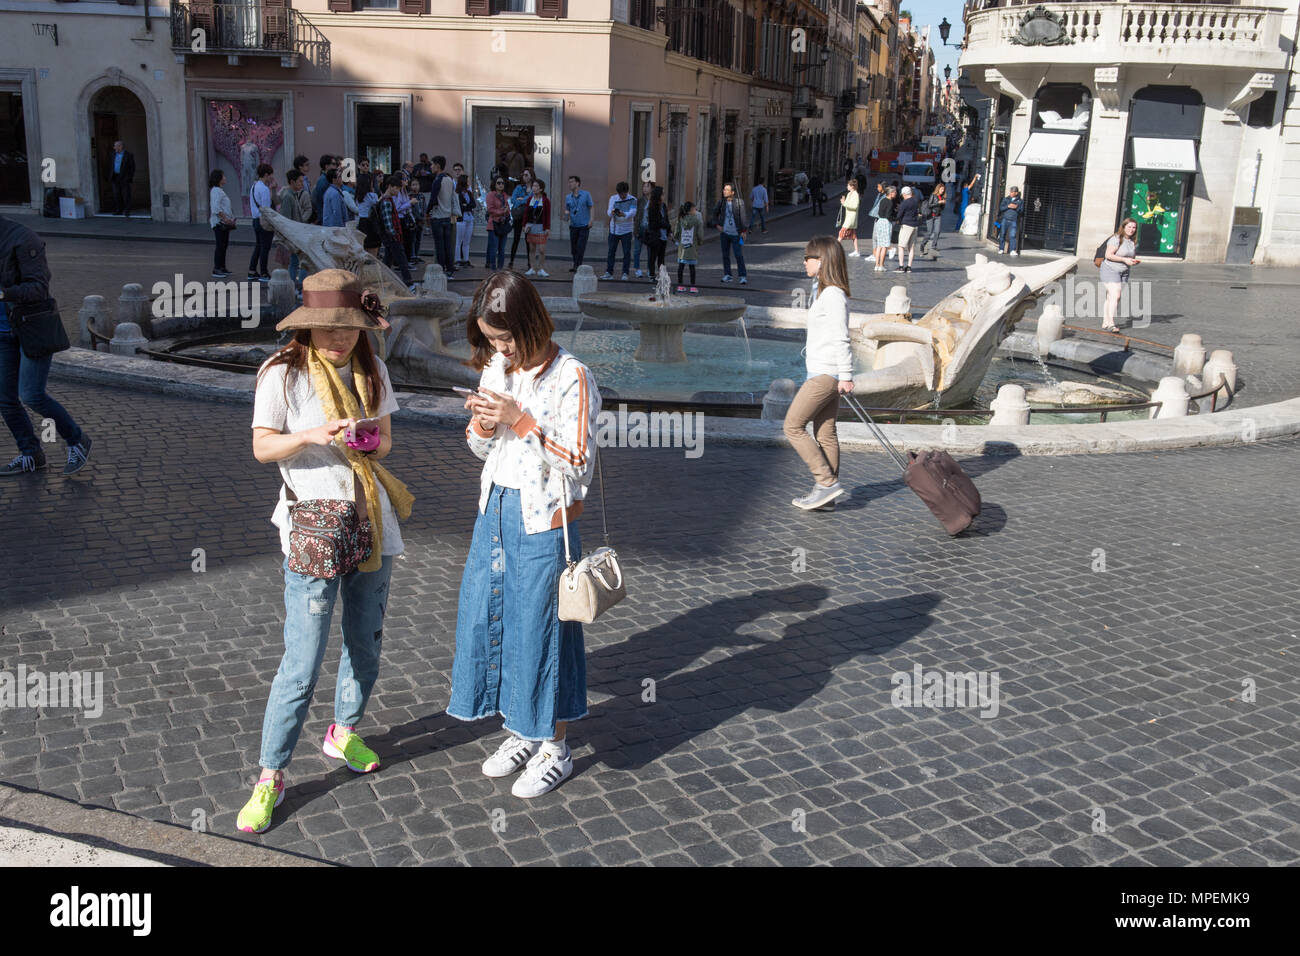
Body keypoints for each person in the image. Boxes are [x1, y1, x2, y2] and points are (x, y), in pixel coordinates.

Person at [238, 269, 414, 834]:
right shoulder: (281, 374)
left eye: (351, 328)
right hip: (312, 523)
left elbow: (385, 440)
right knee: (303, 658)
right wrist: (313, 436)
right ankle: (270, 775)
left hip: (370, 517)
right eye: (328, 328)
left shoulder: (373, 368)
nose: (340, 339)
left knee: (365, 640)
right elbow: (263, 447)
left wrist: (365, 438)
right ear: (307, 326)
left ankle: (343, 730)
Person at [449, 269, 601, 799]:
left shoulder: (572, 377)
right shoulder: (501, 369)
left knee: (545, 631)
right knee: (500, 620)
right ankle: (520, 728)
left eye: (506, 338)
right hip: (495, 511)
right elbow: (480, 450)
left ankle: (555, 746)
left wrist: (520, 421)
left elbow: (577, 462)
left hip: (546, 522)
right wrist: (484, 426)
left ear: (531, 323)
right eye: (492, 340)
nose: (501, 349)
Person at [0, 216, 91, 477]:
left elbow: (38, 287)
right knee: (5, 399)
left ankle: (77, 440)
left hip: (33, 329)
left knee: (31, 395)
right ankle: (31, 455)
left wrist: (3, 293)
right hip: (3, 332)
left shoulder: (23, 239)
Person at [783, 235, 852, 512]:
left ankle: (825, 482)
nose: (804, 261)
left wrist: (846, 375)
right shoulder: (825, 291)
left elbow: (842, 337)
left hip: (827, 373)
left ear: (821, 261)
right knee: (825, 433)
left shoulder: (833, 295)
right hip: (825, 371)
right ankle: (827, 497)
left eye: (808, 257)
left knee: (792, 426)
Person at [1100, 217, 1140, 332]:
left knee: (1111, 297)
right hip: (1110, 269)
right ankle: (1111, 324)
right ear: (1123, 227)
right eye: (1129, 227)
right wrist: (1124, 260)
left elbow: (1130, 257)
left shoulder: (1132, 242)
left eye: (1134, 227)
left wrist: (1132, 261)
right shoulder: (1116, 239)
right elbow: (1108, 255)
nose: (1132, 229)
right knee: (1116, 295)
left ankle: (1105, 321)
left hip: (1124, 272)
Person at [277, 168, 313, 291]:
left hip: (296, 234)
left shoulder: (293, 195)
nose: (302, 184)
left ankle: (294, 286)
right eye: (299, 181)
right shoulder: (288, 197)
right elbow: (286, 219)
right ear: (292, 182)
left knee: (296, 262)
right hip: (293, 236)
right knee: (300, 262)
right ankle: (296, 286)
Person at [378, 175, 415, 290]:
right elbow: (388, 221)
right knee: (402, 259)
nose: (398, 191)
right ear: (390, 187)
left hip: (392, 235)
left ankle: (381, 280)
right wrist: (394, 234)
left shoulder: (387, 200)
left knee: (388, 260)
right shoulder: (386, 201)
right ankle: (409, 283)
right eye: (397, 189)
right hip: (393, 236)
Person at [427, 155, 458, 277]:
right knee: (448, 245)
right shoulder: (449, 180)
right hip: (448, 217)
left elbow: (433, 198)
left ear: (438, 166)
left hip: (438, 217)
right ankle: (450, 269)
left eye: (432, 164)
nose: (431, 166)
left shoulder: (438, 180)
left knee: (439, 246)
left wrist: (426, 211)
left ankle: (441, 270)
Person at [712, 182, 748, 284]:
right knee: (725, 255)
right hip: (725, 233)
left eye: (727, 190)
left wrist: (744, 231)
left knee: (738, 255)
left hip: (736, 234)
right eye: (724, 189)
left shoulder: (739, 202)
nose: (724, 191)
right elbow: (714, 213)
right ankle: (728, 275)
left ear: (732, 192)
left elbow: (743, 217)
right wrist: (717, 225)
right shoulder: (721, 202)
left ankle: (742, 276)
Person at [247, 163, 276, 282]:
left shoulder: (254, 186)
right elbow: (266, 208)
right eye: (270, 175)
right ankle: (264, 273)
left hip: (255, 220)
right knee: (265, 248)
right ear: (265, 175)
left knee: (258, 246)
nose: (271, 178)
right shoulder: (264, 189)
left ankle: (252, 271)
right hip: (263, 221)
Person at [602, 181, 636, 280]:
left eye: (623, 194)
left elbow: (633, 212)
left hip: (627, 230)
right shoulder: (613, 198)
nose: (622, 196)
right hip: (614, 230)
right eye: (620, 194)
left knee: (626, 253)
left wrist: (624, 214)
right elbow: (608, 211)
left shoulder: (633, 199)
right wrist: (612, 212)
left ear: (627, 192)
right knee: (611, 252)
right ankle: (609, 272)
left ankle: (625, 273)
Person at [562, 175, 593, 272]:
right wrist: (566, 216)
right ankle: (576, 263)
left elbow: (591, 207)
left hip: (584, 225)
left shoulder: (586, 195)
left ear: (577, 183)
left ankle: (577, 265)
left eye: (572, 182)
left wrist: (591, 220)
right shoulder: (568, 197)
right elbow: (567, 209)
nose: (569, 184)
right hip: (573, 226)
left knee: (580, 246)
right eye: (569, 182)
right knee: (573, 248)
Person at [209, 169, 236, 279]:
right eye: (223, 176)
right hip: (220, 223)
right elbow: (215, 208)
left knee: (224, 245)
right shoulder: (216, 191)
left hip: (223, 223)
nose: (225, 178)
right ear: (219, 178)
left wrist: (231, 218)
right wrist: (225, 219)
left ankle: (222, 267)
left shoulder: (219, 190)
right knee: (220, 246)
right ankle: (217, 268)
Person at [523, 178, 551, 278]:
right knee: (532, 248)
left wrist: (547, 227)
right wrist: (524, 225)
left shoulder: (545, 201)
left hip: (541, 227)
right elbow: (526, 213)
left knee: (542, 249)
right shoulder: (531, 199)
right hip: (531, 225)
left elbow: (547, 215)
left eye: (536, 186)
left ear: (541, 189)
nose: (534, 188)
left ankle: (541, 269)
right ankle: (532, 268)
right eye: (533, 186)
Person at [507, 168, 534, 270]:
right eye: (523, 175)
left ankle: (529, 263)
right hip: (518, 217)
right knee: (516, 239)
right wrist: (524, 201)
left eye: (527, 175)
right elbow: (513, 200)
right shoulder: (519, 187)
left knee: (528, 241)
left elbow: (533, 201)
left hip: (529, 217)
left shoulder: (534, 188)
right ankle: (511, 261)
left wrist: (522, 199)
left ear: (531, 176)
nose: (524, 177)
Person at [673, 200, 703, 293]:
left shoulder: (680, 219)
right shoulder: (697, 221)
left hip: (682, 247)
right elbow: (700, 234)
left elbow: (676, 233)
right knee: (692, 267)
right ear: (691, 210)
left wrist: (677, 239)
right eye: (694, 209)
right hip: (692, 247)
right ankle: (693, 286)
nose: (695, 211)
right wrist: (700, 242)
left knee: (681, 266)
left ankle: (680, 285)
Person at [643, 185, 670, 281]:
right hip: (655, 235)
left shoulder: (663, 206)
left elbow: (666, 219)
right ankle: (651, 275)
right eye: (662, 194)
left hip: (663, 236)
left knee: (661, 258)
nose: (664, 196)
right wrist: (665, 225)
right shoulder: (652, 207)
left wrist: (669, 230)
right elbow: (654, 223)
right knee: (653, 256)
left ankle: (661, 275)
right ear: (658, 195)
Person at [484, 175, 510, 270]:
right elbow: (490, 210)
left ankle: (500, 268)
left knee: (502, 249)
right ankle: (493, 267)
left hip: (503, 225)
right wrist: (502, 211)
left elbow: (508, 210)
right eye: (498, 183)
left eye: (502, 183)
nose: (501, 185)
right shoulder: (491, 195)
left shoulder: (505, 196)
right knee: (494, 248)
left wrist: (507, 210)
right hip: (493, 225)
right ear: (494, 184)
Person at [631, 180, 655, 278]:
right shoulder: (639, 200)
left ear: (652, 189)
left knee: (650, 251)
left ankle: (650, 269)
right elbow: (636, 216)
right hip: (640, 228)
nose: (644, 188)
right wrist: (635, 229)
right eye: (644, 187)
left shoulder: (655, 201)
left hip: (650, 229)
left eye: (647, 186)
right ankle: (637, 269)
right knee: (637, 250)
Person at [895, 186, 921, 273]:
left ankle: (901, 266)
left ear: (904, 194)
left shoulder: (905, 203)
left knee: (901, 246)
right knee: (911, 247)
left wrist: (897, 219)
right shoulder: (916, 201)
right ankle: (909, 267)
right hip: (915, 225)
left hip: (906, 225)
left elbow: (899, 215)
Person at [872, 185, 897, 273]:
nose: (896, 193)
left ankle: (876, 265)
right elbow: (888, 215)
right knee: (885, 246)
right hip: (886, 222)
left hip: (879, 222)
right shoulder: (890, 202)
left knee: (879, 245)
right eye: (894, 192)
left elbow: (879, 212)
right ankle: (881, 265)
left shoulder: (882, 200)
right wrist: (895, 219)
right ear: (890, 193)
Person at [109, 141, 135, 216]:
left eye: (115, 146)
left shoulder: (128, 155)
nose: (114, 148)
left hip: (124, 177)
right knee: (116, 194)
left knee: (126, 194)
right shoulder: (113, 155)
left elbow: (132, 167)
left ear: (120, 146)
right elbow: (110, 166)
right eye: (114, 146)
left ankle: (127, 210)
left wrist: (129, 177)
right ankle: (119, 210)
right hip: (115, 177)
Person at [838, 178, 862, 257]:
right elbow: (847, 204)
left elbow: (854, 206)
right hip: (849, 217)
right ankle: (856, 251)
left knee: (842, 232)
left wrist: (844, 203)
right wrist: (844, 201)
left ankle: (834, 248)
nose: (847, 186)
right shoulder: (849, 194)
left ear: (852, 186)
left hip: (851, 218)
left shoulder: (855, 195)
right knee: (853, 235)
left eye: (848, 185)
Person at [310, 155, 337, 225]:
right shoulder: (323, 180)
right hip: (325, 217)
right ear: (326, 166)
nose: (335, 167)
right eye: (333, 164)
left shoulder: (327, 179)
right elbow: (321, 201)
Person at [921, 183, 946, 255]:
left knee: (937, 231)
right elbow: (929, 205)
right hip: (931, 215)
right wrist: (938, 202)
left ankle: (934, 246)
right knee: (929, 232)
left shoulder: (943, 197)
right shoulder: (933, 195)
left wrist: (943, 204)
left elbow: (942, 208)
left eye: (943, 190)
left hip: (938, 216)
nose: (942, 191)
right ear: (938, 189)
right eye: (941, 189)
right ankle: (923, 244)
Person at [406, 178, 426, 264]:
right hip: (413, 220)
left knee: (418, 238)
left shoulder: (421, 196)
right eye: (413, 185)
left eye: (417, 184)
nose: (415, 187)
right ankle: (412, 255)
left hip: (421, 220)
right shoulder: (409, 196)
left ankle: (417, 254)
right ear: (410, 186)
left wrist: (424, 215)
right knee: (413, 239)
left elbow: (424, 206)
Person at [998, 186, 1021, 255]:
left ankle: (1012, 250)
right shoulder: (1006, 199)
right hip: (1005, 219)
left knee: (1012, 235)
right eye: (1010, 192)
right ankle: (1001, 249)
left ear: (1016, 193)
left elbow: (1021, 210)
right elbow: (1001, 208)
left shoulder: (1020, 201)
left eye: (1012, 192)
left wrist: (1016, 207)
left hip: (1013, 220)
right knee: (1002, 234)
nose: (1010, 193)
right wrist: (1008, 206)